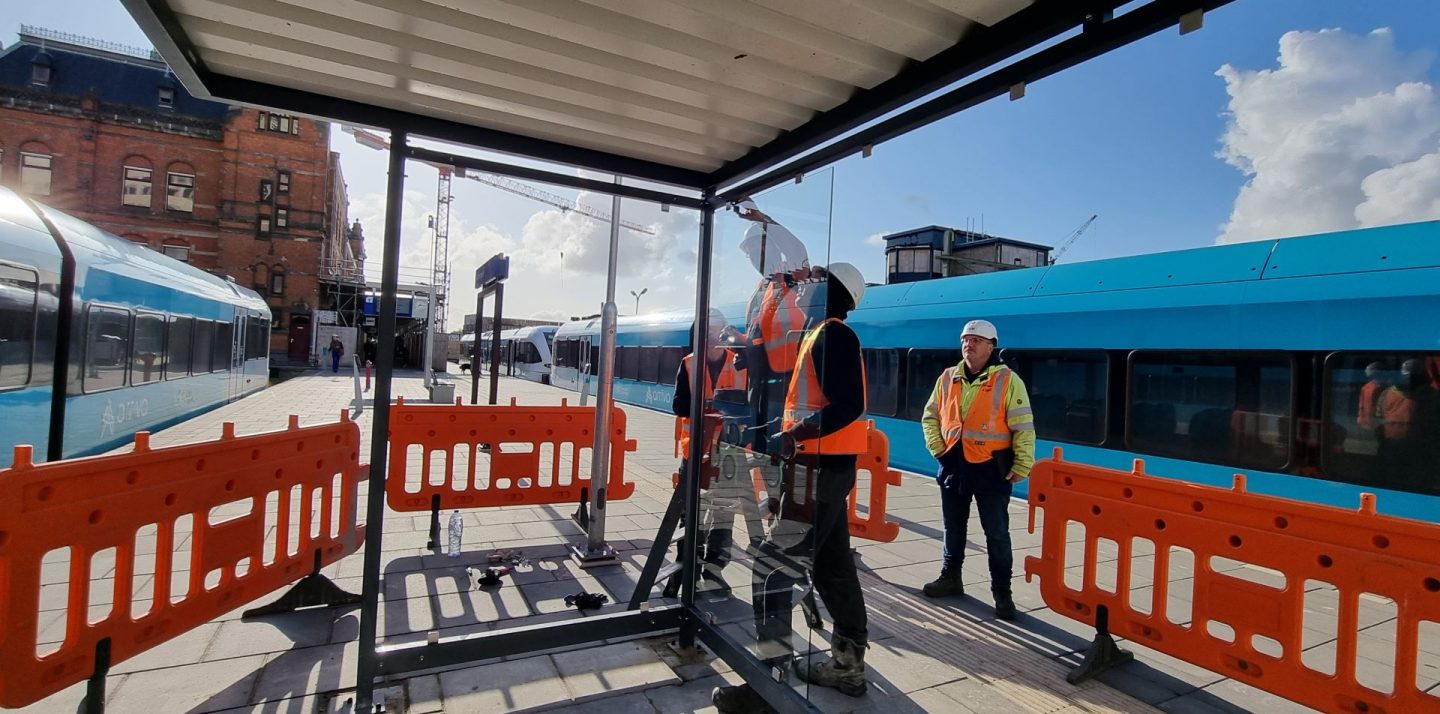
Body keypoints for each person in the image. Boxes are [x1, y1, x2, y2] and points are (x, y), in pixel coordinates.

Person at [712, 262, 871, 711]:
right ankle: (848, 666)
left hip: (818, 470)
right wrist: (769, 430)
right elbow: (813, 403)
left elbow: (848, 405)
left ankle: (767, 686)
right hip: (823, 468)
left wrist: (795, 435)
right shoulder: (820, 336)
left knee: (772, 569)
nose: (801, 292)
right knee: (832, 568)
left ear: (831, 291)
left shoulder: (833, 335)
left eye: (811, 286)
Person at [919, 319, 1034, 622]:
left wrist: (1023, 463)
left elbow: (1023, 426)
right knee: (953, 528)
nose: (969, 344)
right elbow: (929, 417)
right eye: (965, 339)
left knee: (996, 534)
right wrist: (938, 449)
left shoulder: (1009, 381)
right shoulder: (947, 378)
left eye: (977, 340)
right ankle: (950, 577)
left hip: (991, 470)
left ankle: (1002, 593)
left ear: (991, 346)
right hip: (953, 466)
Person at [666, 309, 746, 597]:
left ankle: (714, 572)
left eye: (717, 332)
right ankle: (685, 568)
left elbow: (751, 407)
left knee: (723, 516)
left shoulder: (741, 364)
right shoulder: (688, 364)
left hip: (729, 453)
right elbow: (678, 406)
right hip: (696, 452)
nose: (713, 338)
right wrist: (707, 411)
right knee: (691, 516)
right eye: (708, 332)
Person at [734, 198, 811, 452]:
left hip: (783, 382)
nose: (753, 258)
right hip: (760, 385)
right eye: (750, 253)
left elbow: (797, 249)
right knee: (759, 450)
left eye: (757, 250)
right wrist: (741, 348)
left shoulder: (789, 274)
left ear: (773, 247)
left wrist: (762, 219)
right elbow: (759, 335)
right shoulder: (760, 289)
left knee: (775, 450)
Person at [1357, 361, 1385, 431]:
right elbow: (1361, 405)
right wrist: (1361, 418)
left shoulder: (1386, 387)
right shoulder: (1366, 387)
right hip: (1368, 420)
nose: (1366, 371)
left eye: (1369, 369)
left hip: (1380, 420)